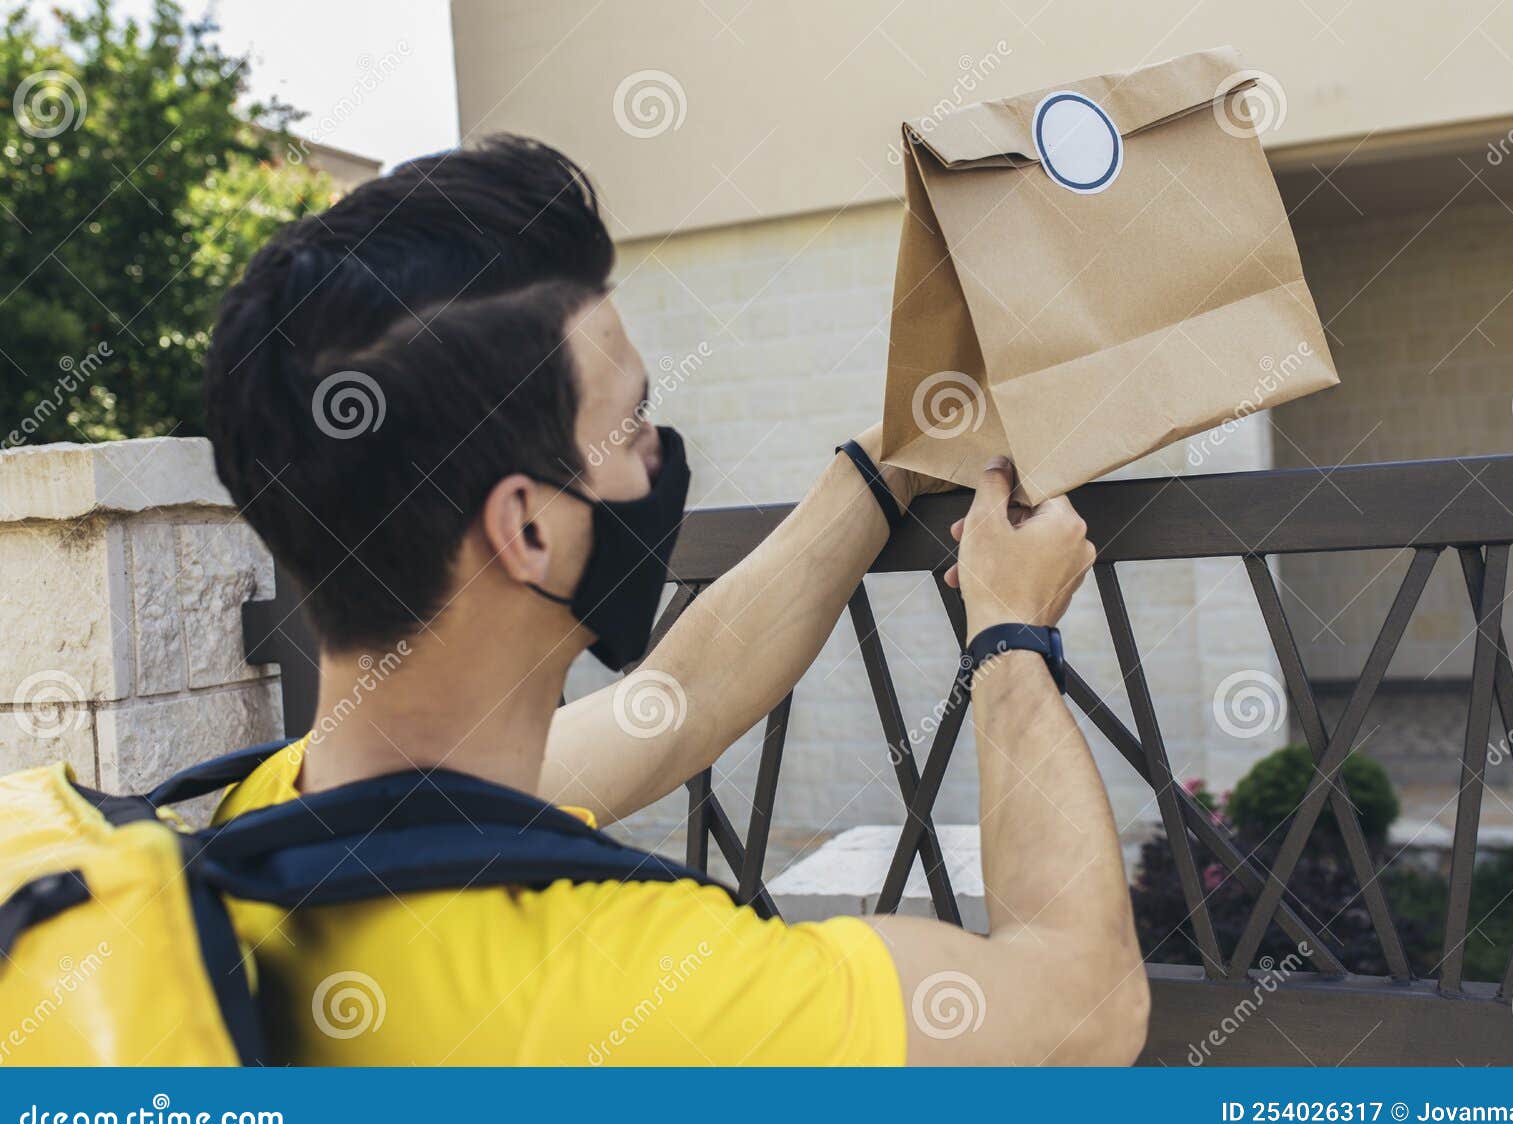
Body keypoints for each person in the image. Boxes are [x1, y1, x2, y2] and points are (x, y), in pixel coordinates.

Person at [203, 135, 1149, 1066]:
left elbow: (676, 700)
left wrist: (896, 456)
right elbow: (1086, 1007)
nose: (659, 456)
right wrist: (1010, 635)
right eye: (632, 425)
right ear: (527, 529)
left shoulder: (279, 819)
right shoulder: (654, 989)